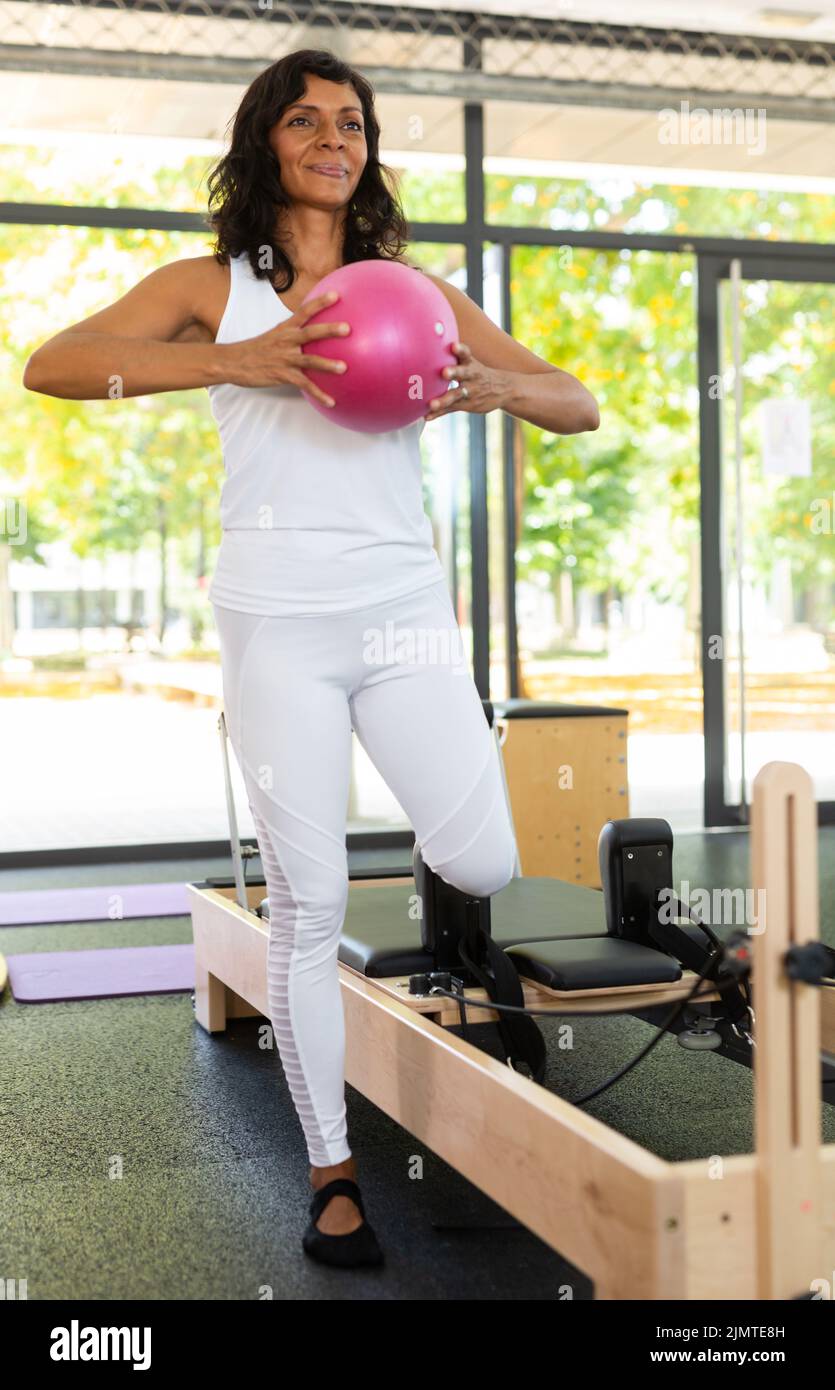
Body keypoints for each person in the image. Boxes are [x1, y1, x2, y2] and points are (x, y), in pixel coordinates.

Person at [23, 48, 600, 1270]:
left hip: (404, 610)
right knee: (309, 903)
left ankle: (421, 981)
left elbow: (576, 401)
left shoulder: (413, 291)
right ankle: (333, 1172)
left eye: (352, 122)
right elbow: (57, 364)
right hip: (276, 617)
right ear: (265, 142)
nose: (335, 139)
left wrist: (493, 385)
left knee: (483, 859)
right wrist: (239, 358)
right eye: (306, 121)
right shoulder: (213, 286)